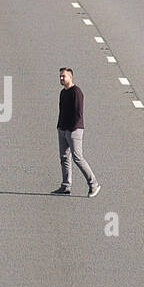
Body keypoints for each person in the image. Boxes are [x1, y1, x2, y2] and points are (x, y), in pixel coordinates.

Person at [55, 68, 100, 196]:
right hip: (62, 129)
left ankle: (93, 184)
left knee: (77, 157)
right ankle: (65, 186)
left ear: (70, 77)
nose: (61, 78)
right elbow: (61, 111)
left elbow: (78, 113)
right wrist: (59, 127)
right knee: (64, 158)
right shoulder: (63, 92)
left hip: (74, 130)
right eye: (60, 76)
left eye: (63, 76)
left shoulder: (76, 92)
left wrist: (72, 129)